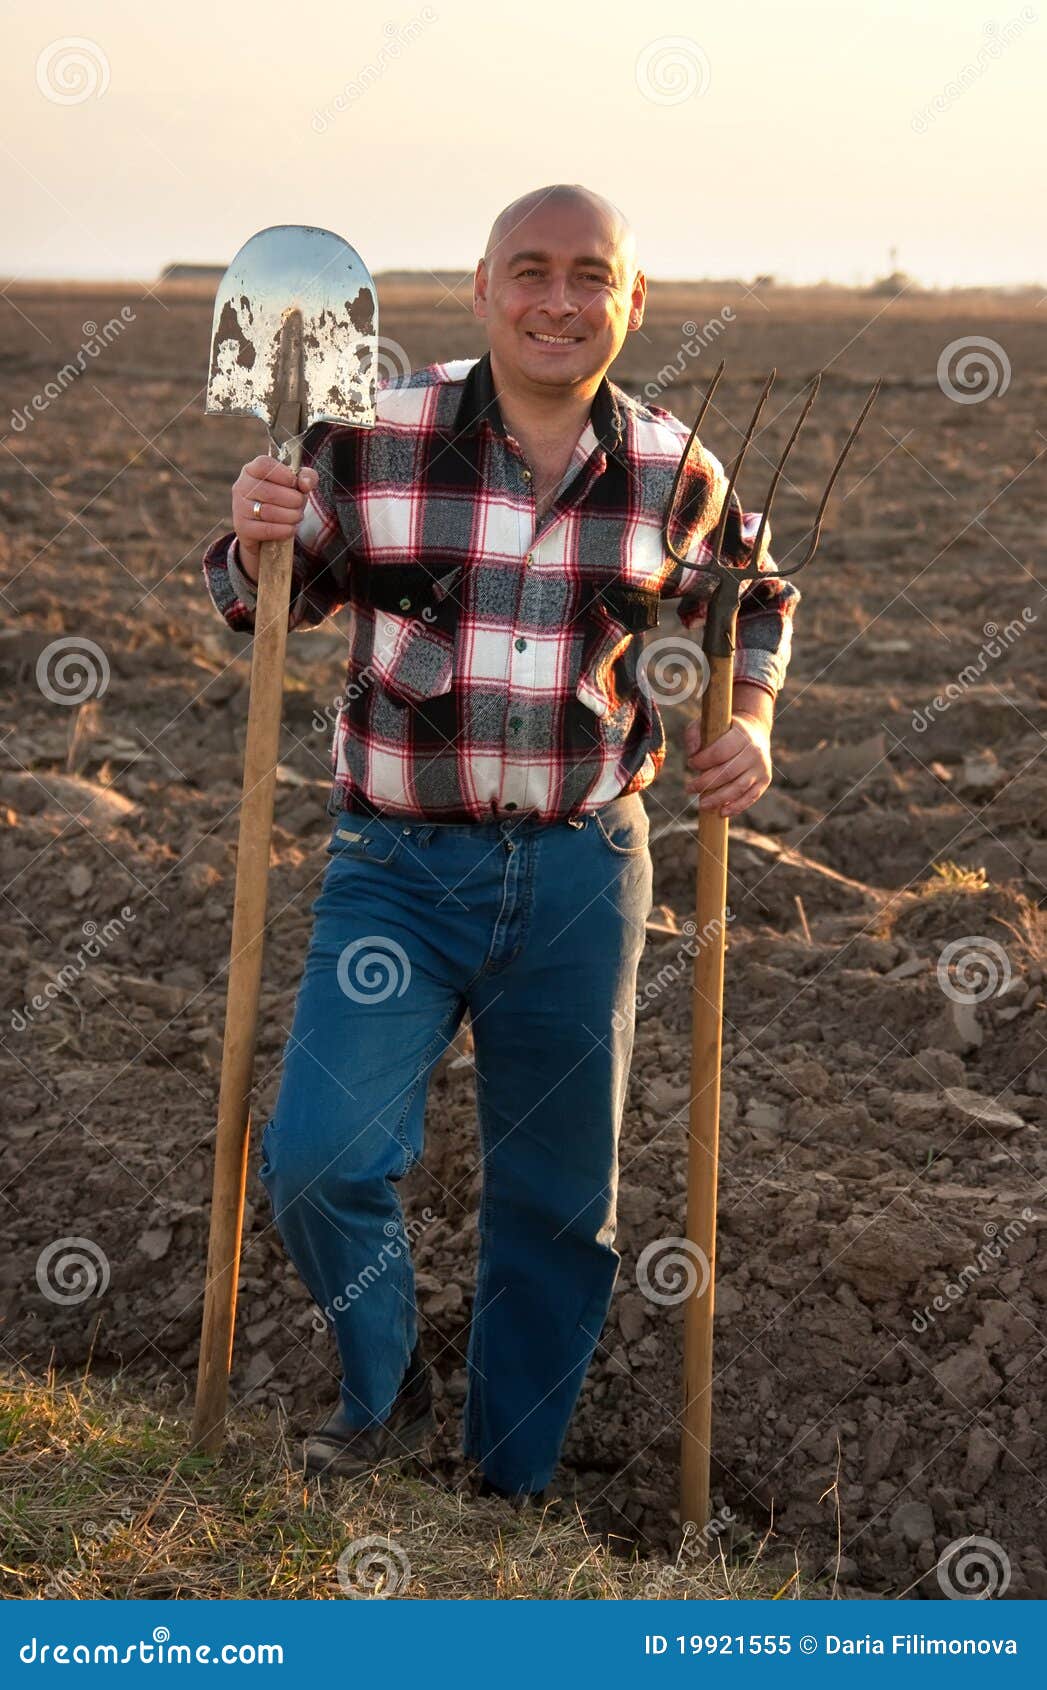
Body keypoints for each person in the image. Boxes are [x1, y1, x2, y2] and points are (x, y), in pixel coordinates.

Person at [200, 183, 800, 1505]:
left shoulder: (674, 471)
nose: (559, 300)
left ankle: (510, 1493)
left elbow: (752, 598)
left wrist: (748, 717)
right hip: (395, 874)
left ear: (631, 304)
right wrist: (256, 531)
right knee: (316, 1155)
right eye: (530, 270)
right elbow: (260, 599)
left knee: (556, 1203)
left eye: (593, 276)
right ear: (483, 289)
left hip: (585, 871)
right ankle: (385, 1393)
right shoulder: (374, 431)